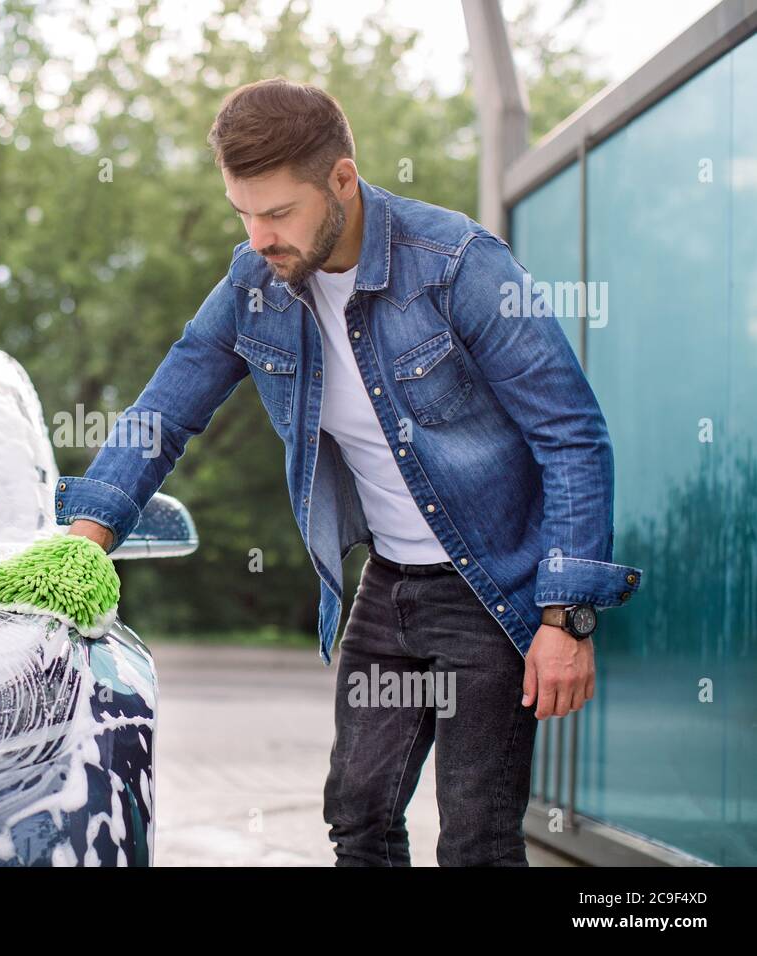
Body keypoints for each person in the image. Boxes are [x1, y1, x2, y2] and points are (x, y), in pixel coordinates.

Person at [53, 77, 643, 866]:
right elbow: (162, 414)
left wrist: (566, 617)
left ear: (342, 179)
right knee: (358, 816)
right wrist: (81, 546)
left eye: (278, 212)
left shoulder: (459, 265)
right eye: (244, 213)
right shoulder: (254, 286)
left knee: (475, 840)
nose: (260, 237)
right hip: (389, 582)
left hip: (491, 587)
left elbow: (571, 435)